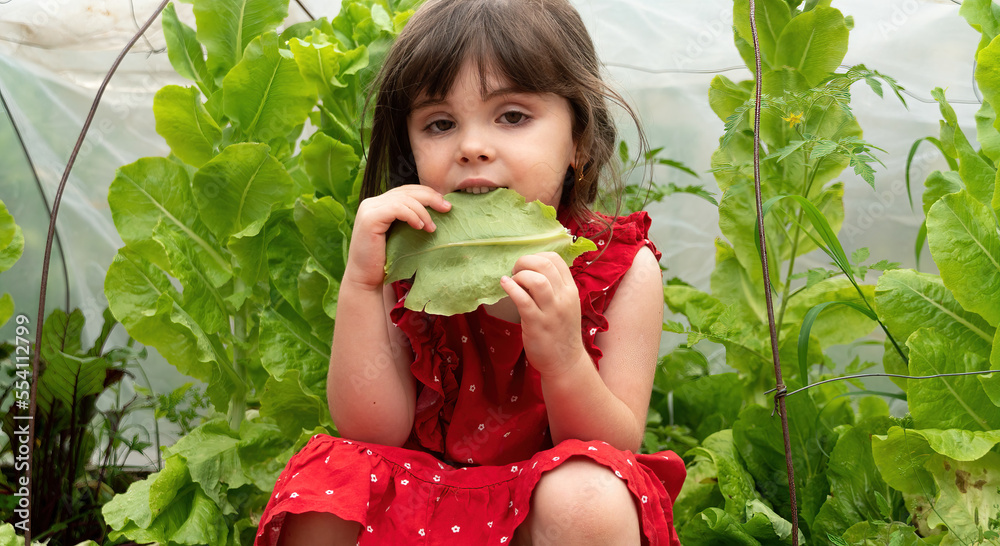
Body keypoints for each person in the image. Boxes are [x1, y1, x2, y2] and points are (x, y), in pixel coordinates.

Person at [255, 0, 686, 544]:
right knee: (325, 492)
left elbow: (615, 445)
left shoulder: (620, 266)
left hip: (541, 511)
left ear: (579, 139)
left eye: (512, 116)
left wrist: (564, 362)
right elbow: (371, 429)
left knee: (588, 497)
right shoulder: (411, 256)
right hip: (427, 503)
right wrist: (362, 283)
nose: (473, 147)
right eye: (440, 124)